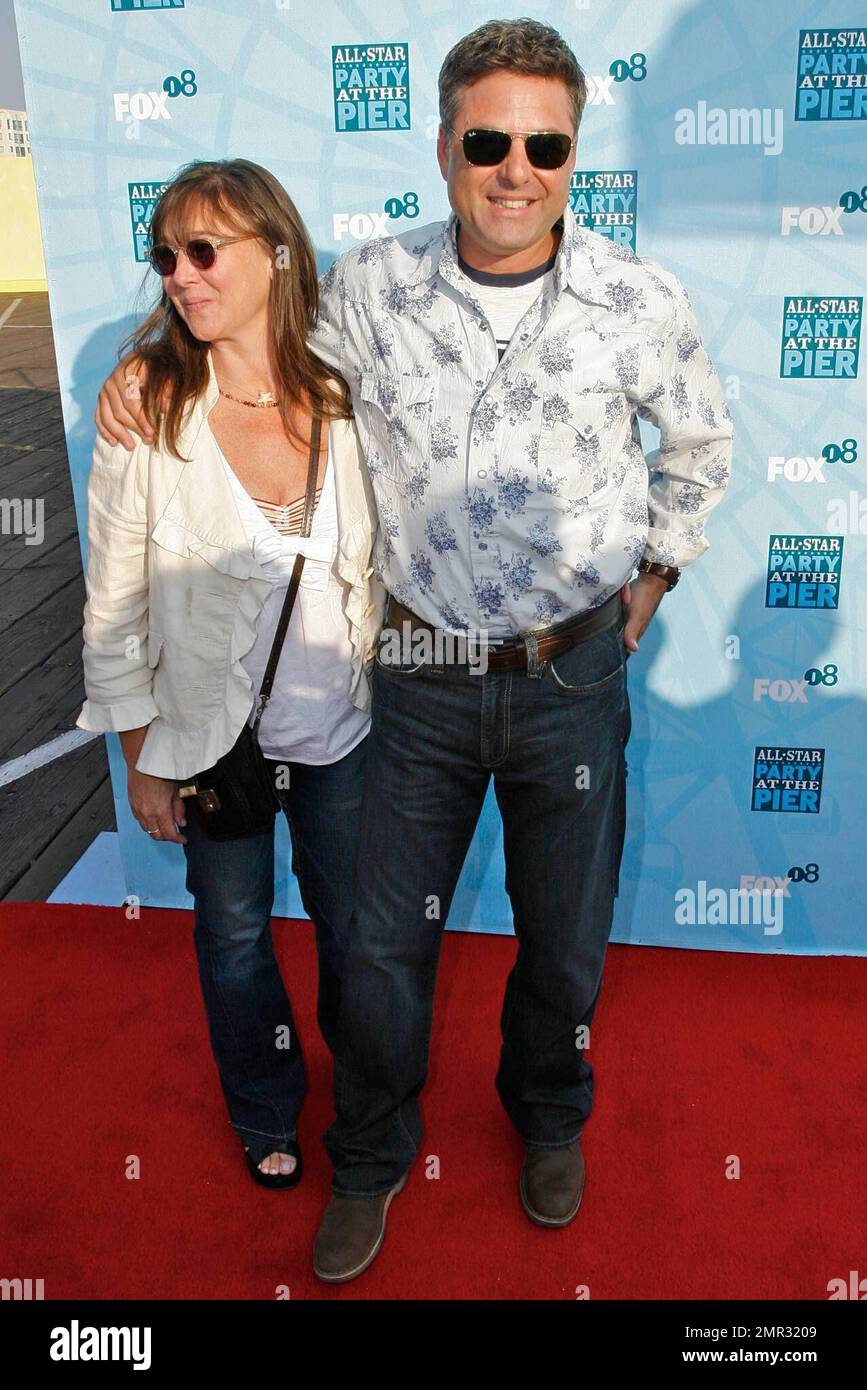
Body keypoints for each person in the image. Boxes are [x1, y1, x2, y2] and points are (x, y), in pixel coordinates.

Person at [95, 19, 733, 1284]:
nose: (516, 167)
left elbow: (700, 449)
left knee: (566, 935)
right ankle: (374, 1153)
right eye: (488, 139)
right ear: (442, 145)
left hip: (574, 675)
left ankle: (548, 1116)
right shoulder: (369, 290)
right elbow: (251, 338)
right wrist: (145, 366)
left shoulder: (640, 300)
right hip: (418, 682)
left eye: (545, 143)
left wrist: (648, 585)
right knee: (381, 949)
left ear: (573, 155)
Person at [79, 157, 384, 1189]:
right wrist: (140, 753)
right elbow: (114, 596)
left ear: (277, 256)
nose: (180, 274)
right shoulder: (150, 407)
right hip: (211, 734)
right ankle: (264, 1107)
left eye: (204, 250)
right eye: (165, 255)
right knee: (237, 934)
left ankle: (370, 1095)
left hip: (340, 733)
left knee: (356, 929)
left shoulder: (347, 397)